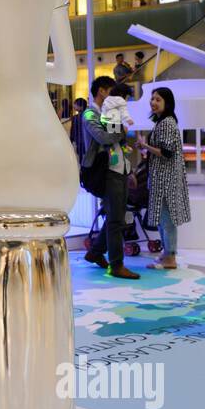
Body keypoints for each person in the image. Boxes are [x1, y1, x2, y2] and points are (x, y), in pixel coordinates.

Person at [81, 75, 139, 280]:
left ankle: (96, 252)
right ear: (102, 91)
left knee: (117, 216)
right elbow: (105, 138)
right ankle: (116, 265)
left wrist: (129, 170)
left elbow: (120, 144)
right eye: (113, 93)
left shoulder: (110, 113)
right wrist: (121, 131)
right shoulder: (90, 114)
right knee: (115, 220)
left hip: (119, 169)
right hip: (105, 171)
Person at [137, 87, 190, 269]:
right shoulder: (162, 122)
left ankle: (170, 257)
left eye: (158, 99)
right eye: (152, 99)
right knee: (163, 219)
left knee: (166, 220)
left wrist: (145, 145)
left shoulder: (166, 123)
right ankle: (167, 253)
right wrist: (145, 149)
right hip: (161, 177)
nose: (153, 102)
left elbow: (166, 153)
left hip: (166, 179)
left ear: (167, 103)